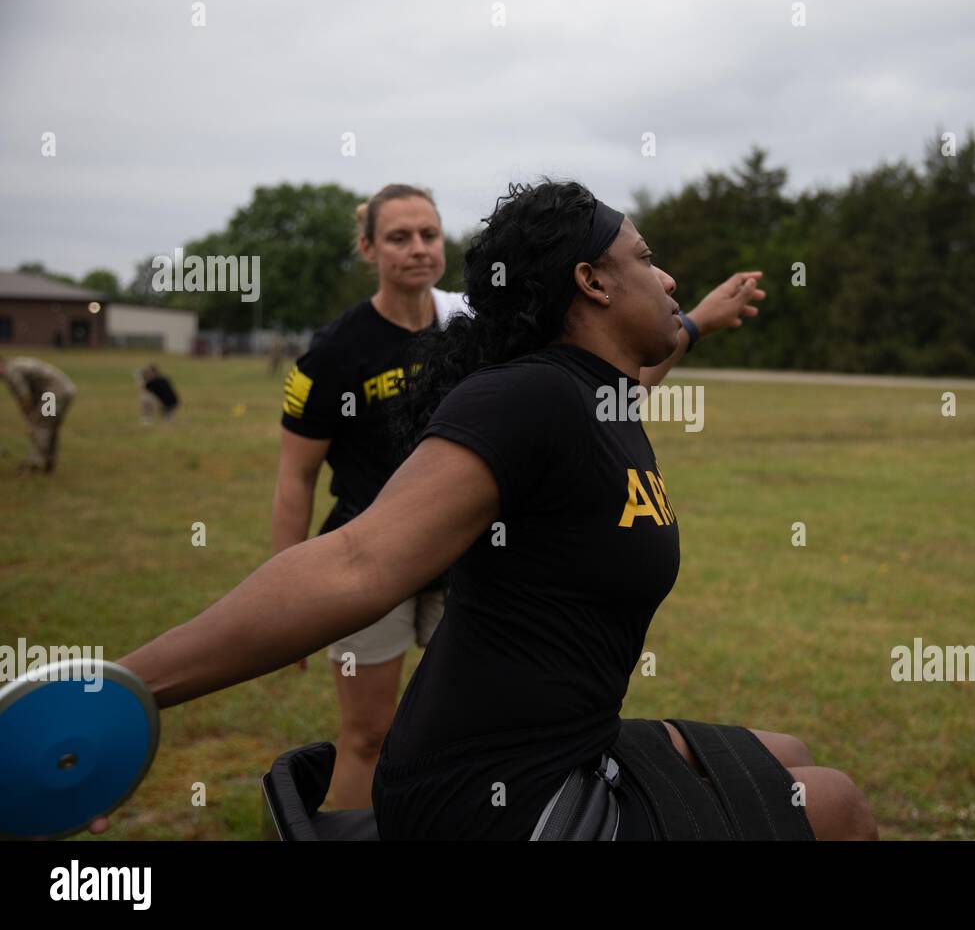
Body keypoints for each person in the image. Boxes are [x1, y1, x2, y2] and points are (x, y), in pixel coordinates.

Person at [106, 179, 876, 840]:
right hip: (495, 798)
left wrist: (701, 321)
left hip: (572, 743)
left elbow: (659, 347)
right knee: (832, 805)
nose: (668, 278)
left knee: (795, 751)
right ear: (593, 283)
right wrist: (119, 689)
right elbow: (357, 562)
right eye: (645, 257)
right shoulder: (530, 397)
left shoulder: (597, 393)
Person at [273, 184, 470, 809]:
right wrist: (288, 600)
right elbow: (295, 477)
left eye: (429, 235)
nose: (418, 249)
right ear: (367, 248)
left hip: (462, 557)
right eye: (399, 237)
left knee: (468, 729)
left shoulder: (468, 330)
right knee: (368, 734)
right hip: (368, 562)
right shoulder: (333, 353)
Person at [0, 354, 77, 474]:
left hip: (53, 394)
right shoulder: (15, 365)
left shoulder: (11, 371)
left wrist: (30, 417)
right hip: (63, 390)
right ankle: (49, 461)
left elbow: (24, 396)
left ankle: (35, 464)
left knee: (42, 426)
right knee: (49, 427)